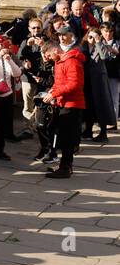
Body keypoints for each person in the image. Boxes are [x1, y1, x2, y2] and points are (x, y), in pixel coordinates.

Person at [42, 30, 86, 179]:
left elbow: (74, 84)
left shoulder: (71, 61)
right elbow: (59, 83)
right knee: (65, 136)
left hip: (72, 104)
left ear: (55, 50)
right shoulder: (60, 61)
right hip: (65, 102)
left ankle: (65, 168)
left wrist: (54, 94)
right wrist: (52, 92)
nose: (47, 59)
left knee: (67, 138)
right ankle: (66, 165)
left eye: (48, 56)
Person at [82, 27, 116, 142]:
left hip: (99, 81)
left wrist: (98, 42)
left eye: (94, 37)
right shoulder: (83, 46)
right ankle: (88, 130)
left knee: (102, 106)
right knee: (88, 105)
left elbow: (104, 56)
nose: (91, 39)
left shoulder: (103, 46)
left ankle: (103, 133)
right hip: (87, 80)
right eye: (89, 36)